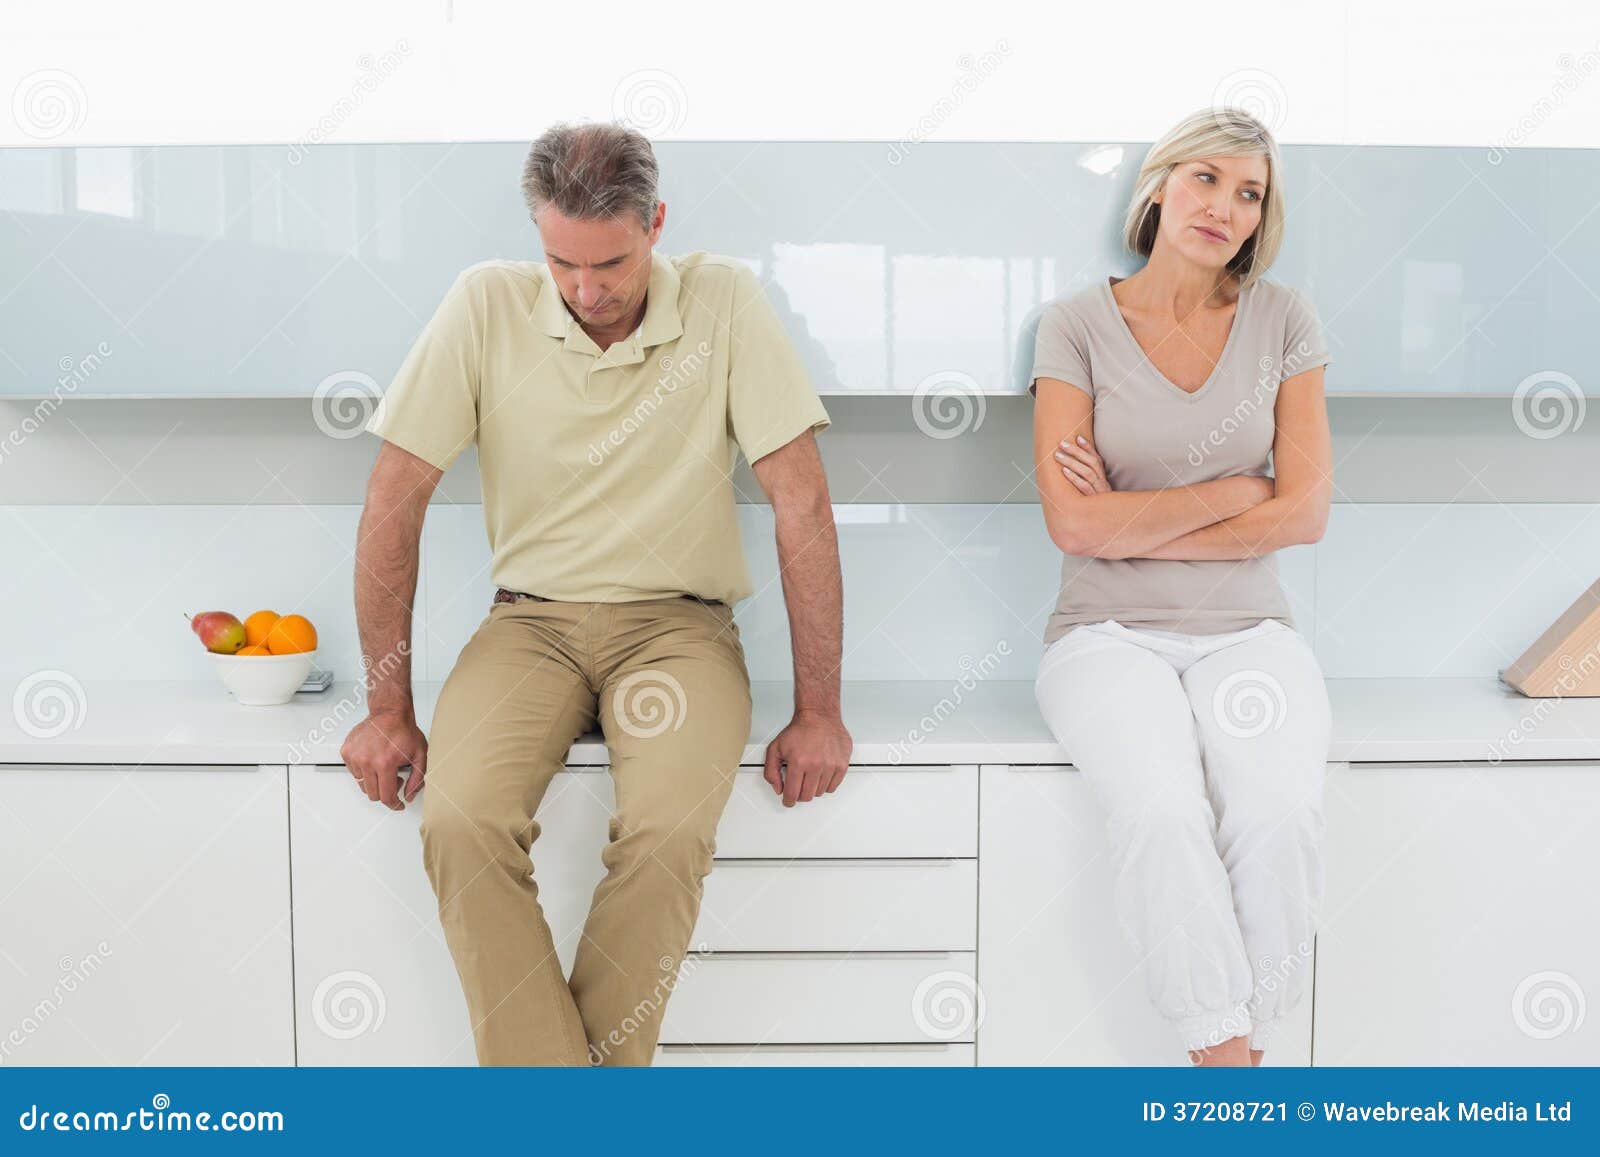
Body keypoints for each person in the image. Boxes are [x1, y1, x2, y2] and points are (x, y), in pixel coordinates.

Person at [340, 121, 852, 1066]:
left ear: (656, 223)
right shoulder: (484, 305)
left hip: (679, 632)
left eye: (610, 262)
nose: (586, 290)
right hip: (528, 625)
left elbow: (803, 503)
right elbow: (393, 499)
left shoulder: (726, 300)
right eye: (562, 263)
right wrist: (385, 706)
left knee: (666, 832)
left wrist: (818, 707)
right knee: (459, 821)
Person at [1028, 107, 1334, 1067]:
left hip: (1251, 632)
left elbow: (1307, 513)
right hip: (1102, 635)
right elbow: (1073, 526)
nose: (1226, 207)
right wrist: (1235, 494)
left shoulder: (1284, 318)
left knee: (1278, 813)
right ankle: (1229, 1065)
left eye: (1250, 193)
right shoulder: (1076, 324)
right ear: (1158, 185)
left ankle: (1256, 1037)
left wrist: (1141, 520)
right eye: (1206, 179)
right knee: (1162, 812)